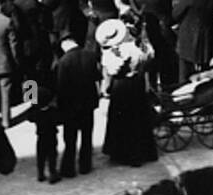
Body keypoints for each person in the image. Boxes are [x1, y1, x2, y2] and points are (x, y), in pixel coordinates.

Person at [98, 18, 157, 168]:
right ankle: (144, 152)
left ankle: (122, 153)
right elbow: (149, 59)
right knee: (138, 117)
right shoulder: (140, 47)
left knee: (122, 118)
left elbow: (111, 72)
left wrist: (105, 89)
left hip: (121, 86)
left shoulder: (112, 53)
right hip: (137, 83)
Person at [54, 35, 100, 178]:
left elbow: (61, 87)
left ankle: (68, 169)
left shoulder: (63, 61)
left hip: (71, 106)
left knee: (70, 139)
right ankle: (85, 166)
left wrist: (60, 108)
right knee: (87, 136)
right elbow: (96, 78)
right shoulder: (90, 56)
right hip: (88, 103)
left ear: (66, 44)